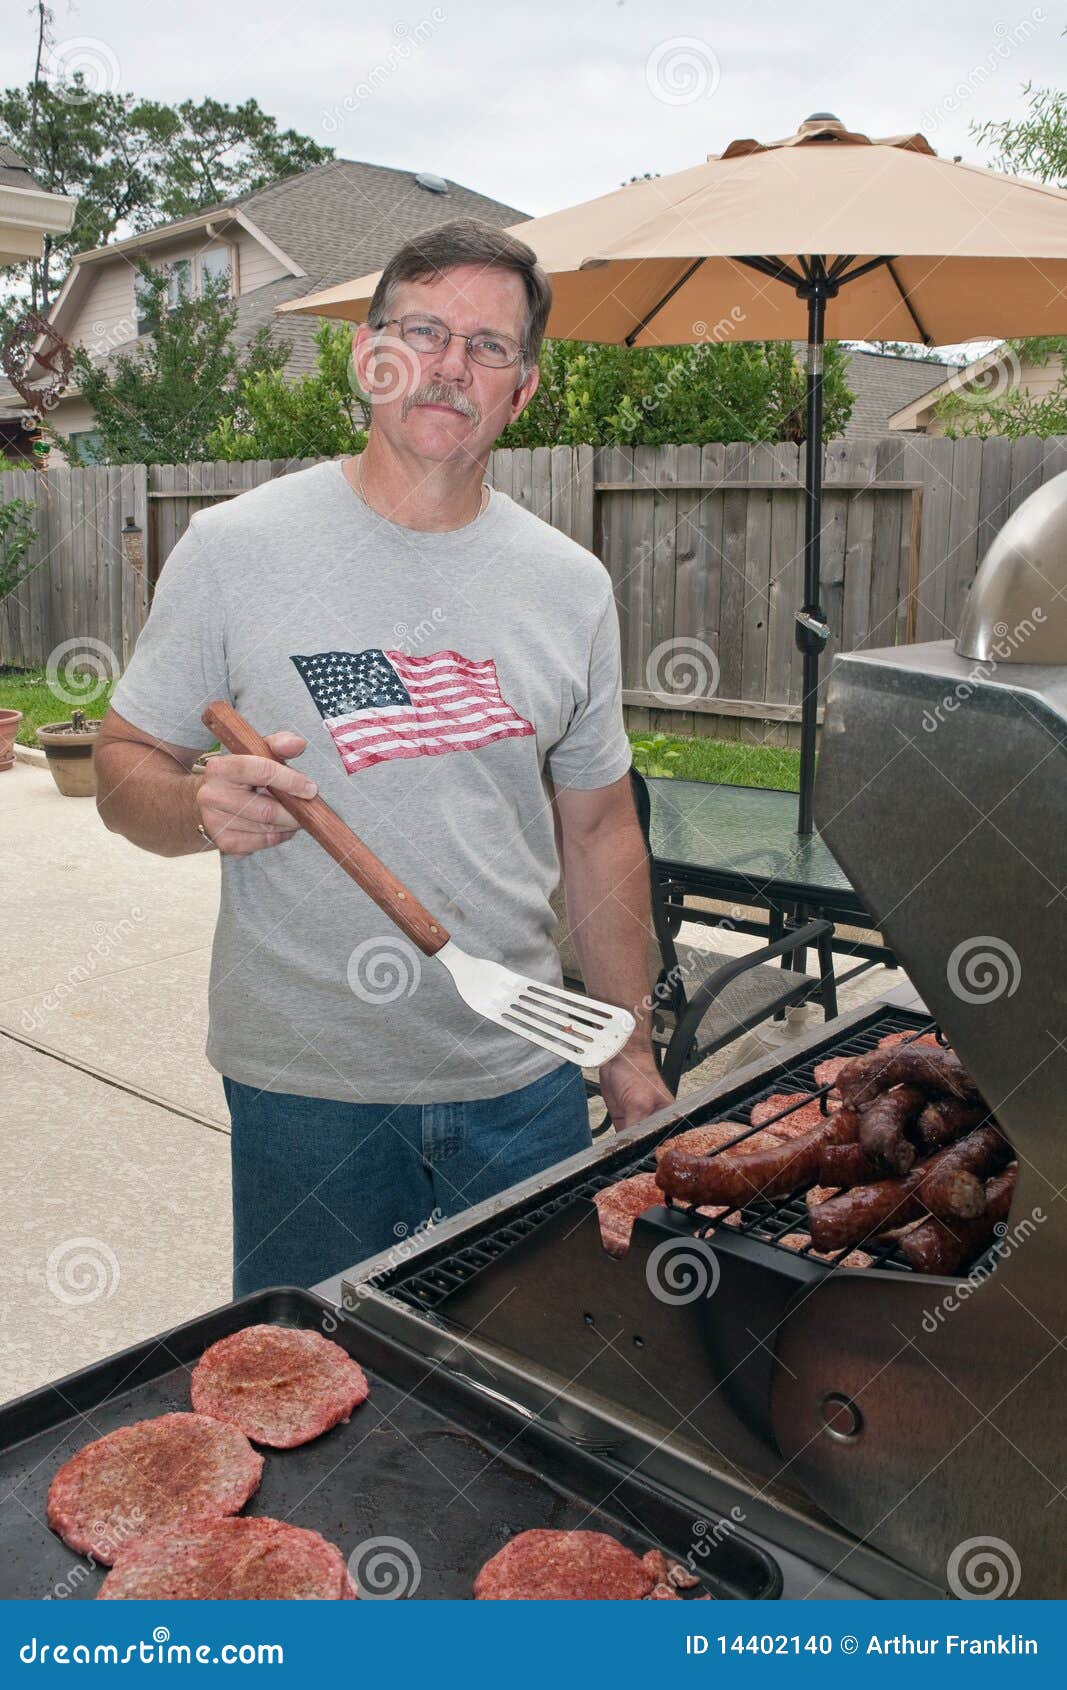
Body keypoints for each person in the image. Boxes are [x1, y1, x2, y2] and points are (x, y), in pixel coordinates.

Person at [94, 217, 674, 1295]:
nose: (452, 366)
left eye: (489, 346)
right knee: (305, 1399)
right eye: (423, 331)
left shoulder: (568, 585)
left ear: (524, 389)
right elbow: (123, 768)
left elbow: (597, 830)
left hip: (523, 1078)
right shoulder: (234, 550)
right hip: (306, 1092)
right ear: (370, 358)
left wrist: (626, 1043)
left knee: (521, 1404)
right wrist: (194, 806)